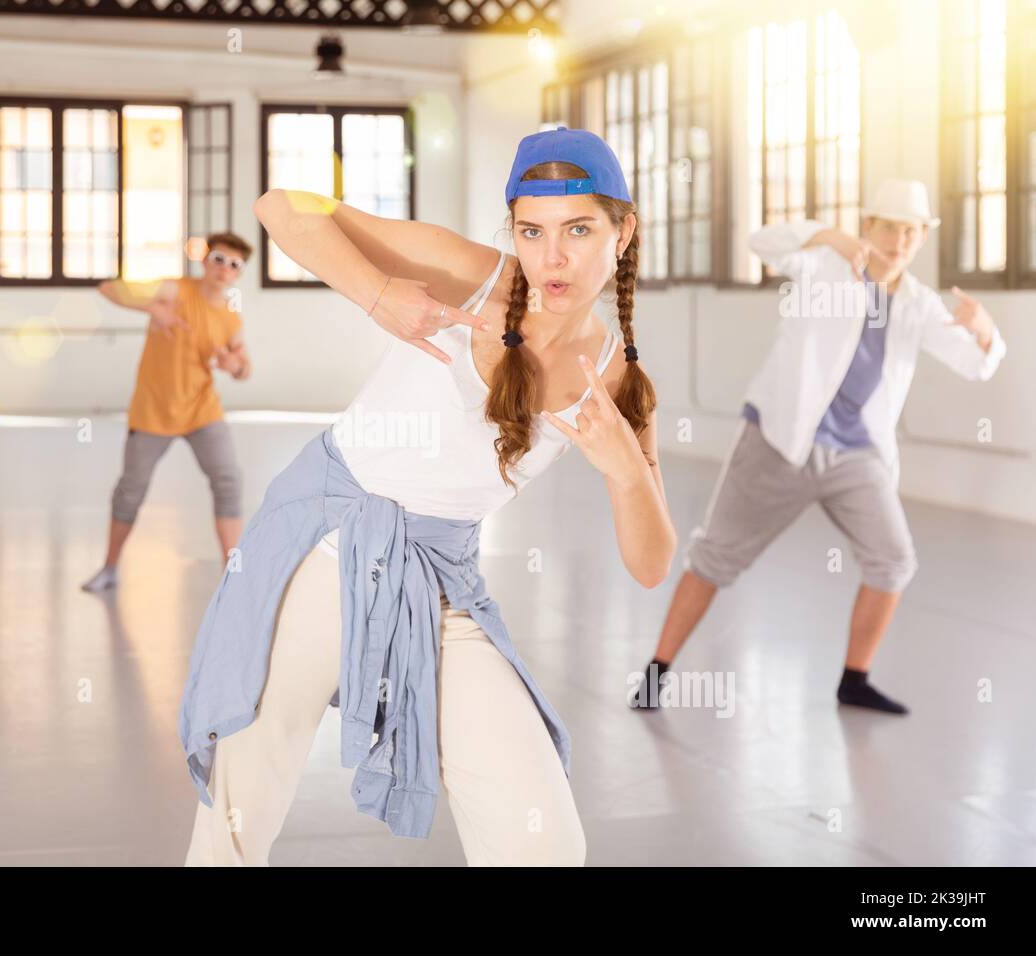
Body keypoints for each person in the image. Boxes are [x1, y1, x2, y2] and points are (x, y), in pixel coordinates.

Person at [179, 127, 677, 866]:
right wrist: (379, 296)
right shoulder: (474, 275)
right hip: (321, 542)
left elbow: (650, 564)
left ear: (624, 230)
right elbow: (283, 206)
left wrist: (626, 470)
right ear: (511, 229)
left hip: (438, 584)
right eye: (532, 231)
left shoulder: (621, 381)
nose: (554, 257)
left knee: (541, 835)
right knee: (239, 814)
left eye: (580, 229)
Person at [632, 179, 1007, 716]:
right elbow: (765, 242)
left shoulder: (919, 305)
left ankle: (854, 680)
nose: (900, 240)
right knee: (715, 556)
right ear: (868, 227)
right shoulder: (827, 269)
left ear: (922, 237)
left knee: (894, 561)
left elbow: (975, 363)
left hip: (857, 455)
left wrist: (987, 332)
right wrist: (829, 236)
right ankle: (656, 671)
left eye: (911, 230)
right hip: (780, 441)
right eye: (889, 227)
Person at [81, 233, 253, 590]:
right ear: (205, 261)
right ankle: (110, 567)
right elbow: (109, 289)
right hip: (153, 410)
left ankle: (232, 573)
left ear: (239, 275)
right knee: (131, 488)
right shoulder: (173, 290)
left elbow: (244, 369)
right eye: (219, 259)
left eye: (234, 265)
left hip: (202, 411)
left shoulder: (230, 318)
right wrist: (152, 308)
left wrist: (231, 363)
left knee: (228, 481)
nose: (224, 270)